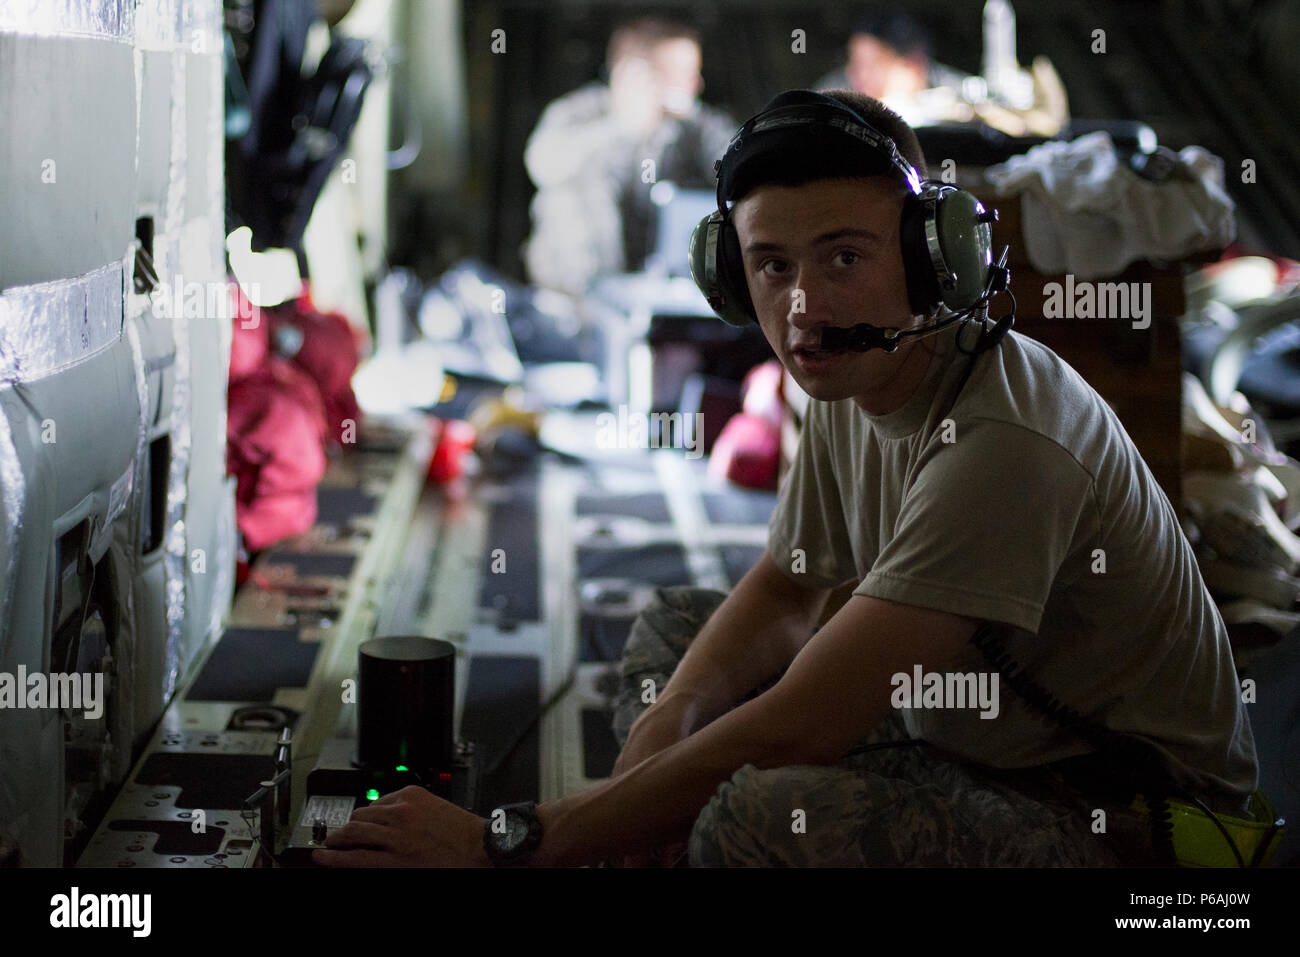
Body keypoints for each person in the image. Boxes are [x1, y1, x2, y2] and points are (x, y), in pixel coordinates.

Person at [315, 89, 1258, 867]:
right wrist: (669, 726)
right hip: (975, 739)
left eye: (844, 257)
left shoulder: (1006, 440)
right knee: (672, 635)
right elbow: (791, 584)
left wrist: (508, 843)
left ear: (937, 262)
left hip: (1143, 825)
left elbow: (804, 724)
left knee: (757, 814)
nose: (804, 306)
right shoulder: (852, 376)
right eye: (771, 265)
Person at [521, 17, 735, 296]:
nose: (697, 84)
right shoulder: (582, 111)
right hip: (579, 289)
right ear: (632, 73)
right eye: (681, 73)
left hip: (664, 281)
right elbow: (543, 166)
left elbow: (737, 165)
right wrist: (619, 125)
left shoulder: (696, 124)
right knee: (564, 195)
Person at [816, 11, 968, 124]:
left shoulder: (962, 98)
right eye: (854, 63)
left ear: (912, 65)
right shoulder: (832, 94)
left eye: (873, 65)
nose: (860, 75)